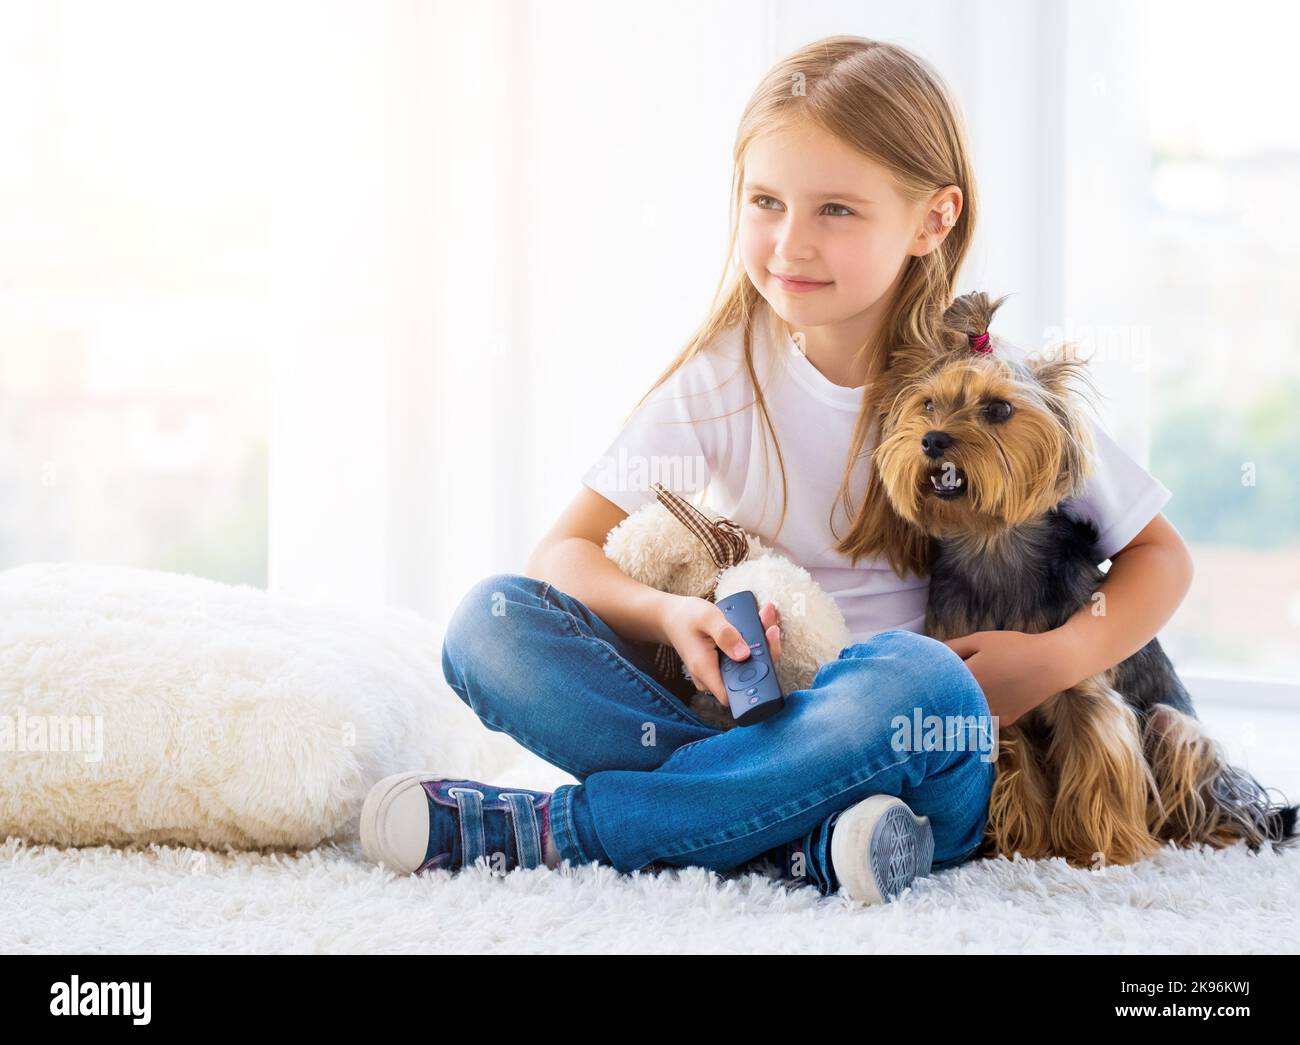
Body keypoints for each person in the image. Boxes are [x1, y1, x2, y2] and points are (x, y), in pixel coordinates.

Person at [360, 35, 1190, 905]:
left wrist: (1055, 658)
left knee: (919, 674)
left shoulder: (986, 385)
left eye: (837, 209)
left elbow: (1162, 557)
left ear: (931, 220)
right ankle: (800, 837)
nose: (791, 243)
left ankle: (572, 828)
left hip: (910, 741)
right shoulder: (725, 375)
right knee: (488, 622)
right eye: (766, 201)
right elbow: (564, 552)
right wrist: (669, 613)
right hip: (748, 715)